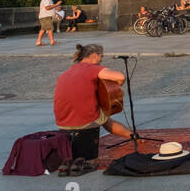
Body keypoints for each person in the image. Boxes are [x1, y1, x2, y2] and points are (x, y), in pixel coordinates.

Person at [53, 43, 136, 172]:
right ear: (93, 56)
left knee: (101, 115)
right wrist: (115, 86)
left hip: (62, 121)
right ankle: (131, 135)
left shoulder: (67, 72)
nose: (101, 60)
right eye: (101, 56)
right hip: (84, 120)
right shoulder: (91, 68)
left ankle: (130, 135)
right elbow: (120, 77)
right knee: (104, 117)